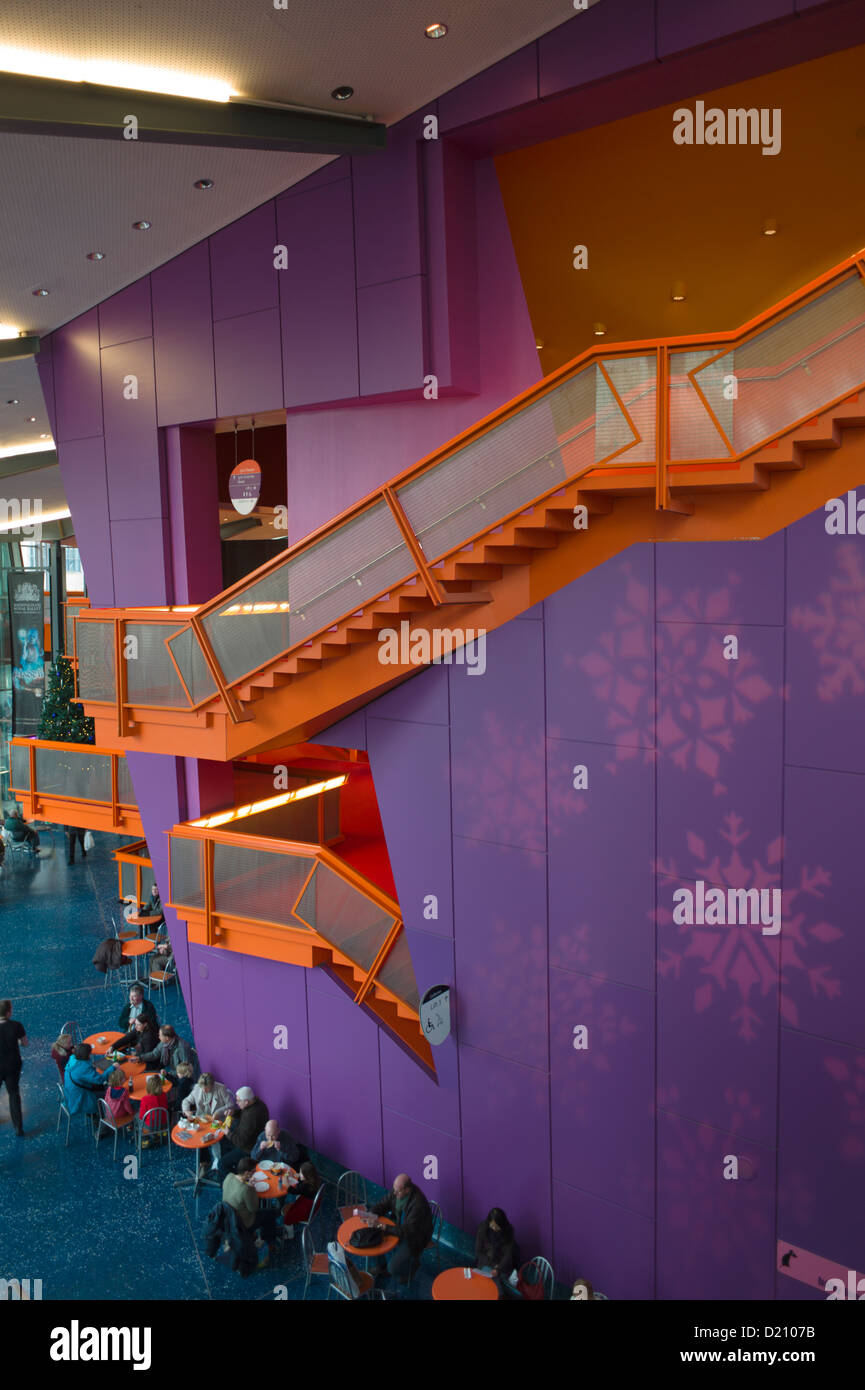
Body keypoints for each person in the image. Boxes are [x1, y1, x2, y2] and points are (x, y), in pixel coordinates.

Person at [371, 1173, 434, 1287]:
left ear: (407, 1190)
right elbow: (383, 1204)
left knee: (393, 1268)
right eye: (394, 1189)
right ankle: (381, 1267)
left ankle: (412, 1267)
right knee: (372, 1236)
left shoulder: (418, 1204)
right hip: (400, 1226)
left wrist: (384, 1226)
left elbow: (406, 1231)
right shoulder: (397, 1190)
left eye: (398, 1191)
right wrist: (371, 1214)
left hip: (415, 1237)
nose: (394, 1193)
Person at [217, 1086, 269, 1180]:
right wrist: (234, 1112)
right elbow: (243, 1112)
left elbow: (240, 1142)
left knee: (221, 1164)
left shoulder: (251, 1117)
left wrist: (228, 1132)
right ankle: (236, 1168)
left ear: (246, 1101)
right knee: (223, 1141)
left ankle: (235, 1181)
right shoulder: (258, 1103)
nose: (236, 1103)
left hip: (248, 1149)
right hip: (250, 1139)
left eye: (238, 1101)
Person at [222, 1157, 278, 1240]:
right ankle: (267, 1239)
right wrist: (252, 1188)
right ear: (247, 1173)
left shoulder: (229, 1176)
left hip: (228, 1216)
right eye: (254, 1171)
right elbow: (254, 1209)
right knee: (271, 1213)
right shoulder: (246, 1189)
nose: (255, 1172)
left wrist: (247, 1182)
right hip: (243, 1222)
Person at [475, 1208, 520, 1294]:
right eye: (492, 1225)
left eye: (496, 1226)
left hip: (502, 1264)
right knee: (486, 1282)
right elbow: (478, 1251)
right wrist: (490, 1264)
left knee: (495, 1283)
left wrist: (498, 1268)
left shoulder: (508, 1232)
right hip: (486, 1261)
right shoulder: (483, 1228)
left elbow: (508, 1255)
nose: (494, 1228)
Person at [0, 999, 27, 1137]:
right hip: (12, 1065)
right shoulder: (16, 1026)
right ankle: (18, 1127)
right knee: (13, 1094)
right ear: (9, 1012)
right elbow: (25, 1043)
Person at [281, 1160, 323, 1236]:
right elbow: (302, 1178)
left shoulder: (303, 1187)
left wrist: (285, 1178)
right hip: (313, 1201)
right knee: (297, 1198)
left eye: (301, 1173)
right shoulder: (315, 1178)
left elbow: (291, 1190)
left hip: (305, 1208)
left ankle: (290, 1235)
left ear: (307, 1176)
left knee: (287, 1219)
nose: (299, 1174)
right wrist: (296, 1175)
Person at [64, 1043, 105, 1118]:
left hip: (71, 1094)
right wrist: (112, 1068)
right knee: (108, 1091)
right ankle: (100, 1119)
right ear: (87, 1055)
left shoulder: (73, 1058)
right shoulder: (83, 1067)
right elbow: (100, 1080)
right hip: (81, 1099)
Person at [138, 1072, 169, 1146]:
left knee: (136, 1118)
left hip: (150, 1127)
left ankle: (144, 1140)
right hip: (163, 1124)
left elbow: (142, 1116)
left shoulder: (145, 1099)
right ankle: (157, 1135)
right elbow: (166, 1108)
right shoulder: (164, 1095)